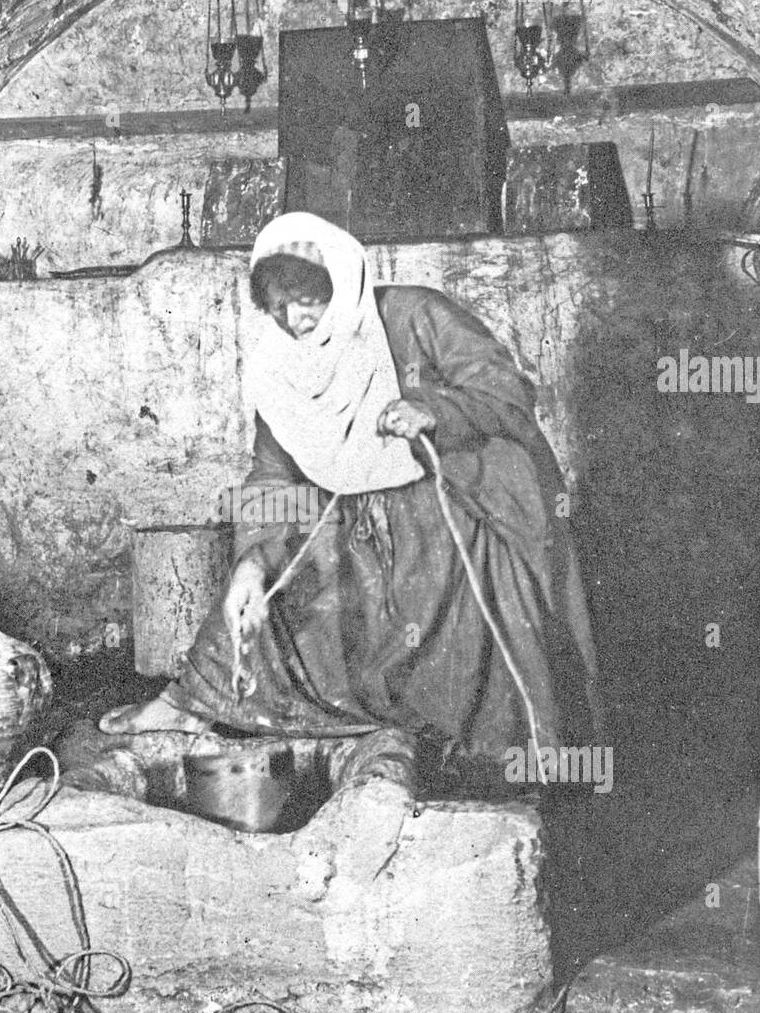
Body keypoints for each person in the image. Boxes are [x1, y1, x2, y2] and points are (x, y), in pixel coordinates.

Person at [100, 212, 600, 768]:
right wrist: (253, 561)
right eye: (279, 307)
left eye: (306, 300)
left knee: (463, 600)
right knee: (276, 584)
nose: (294, 320)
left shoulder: (413, 315)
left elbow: (509, 395)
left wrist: (433, 411)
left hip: (457, 496)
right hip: (361, 518)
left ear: (339, 281)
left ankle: (477, 757)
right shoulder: (280, 368)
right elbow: (272, 477)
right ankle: (192, 703)